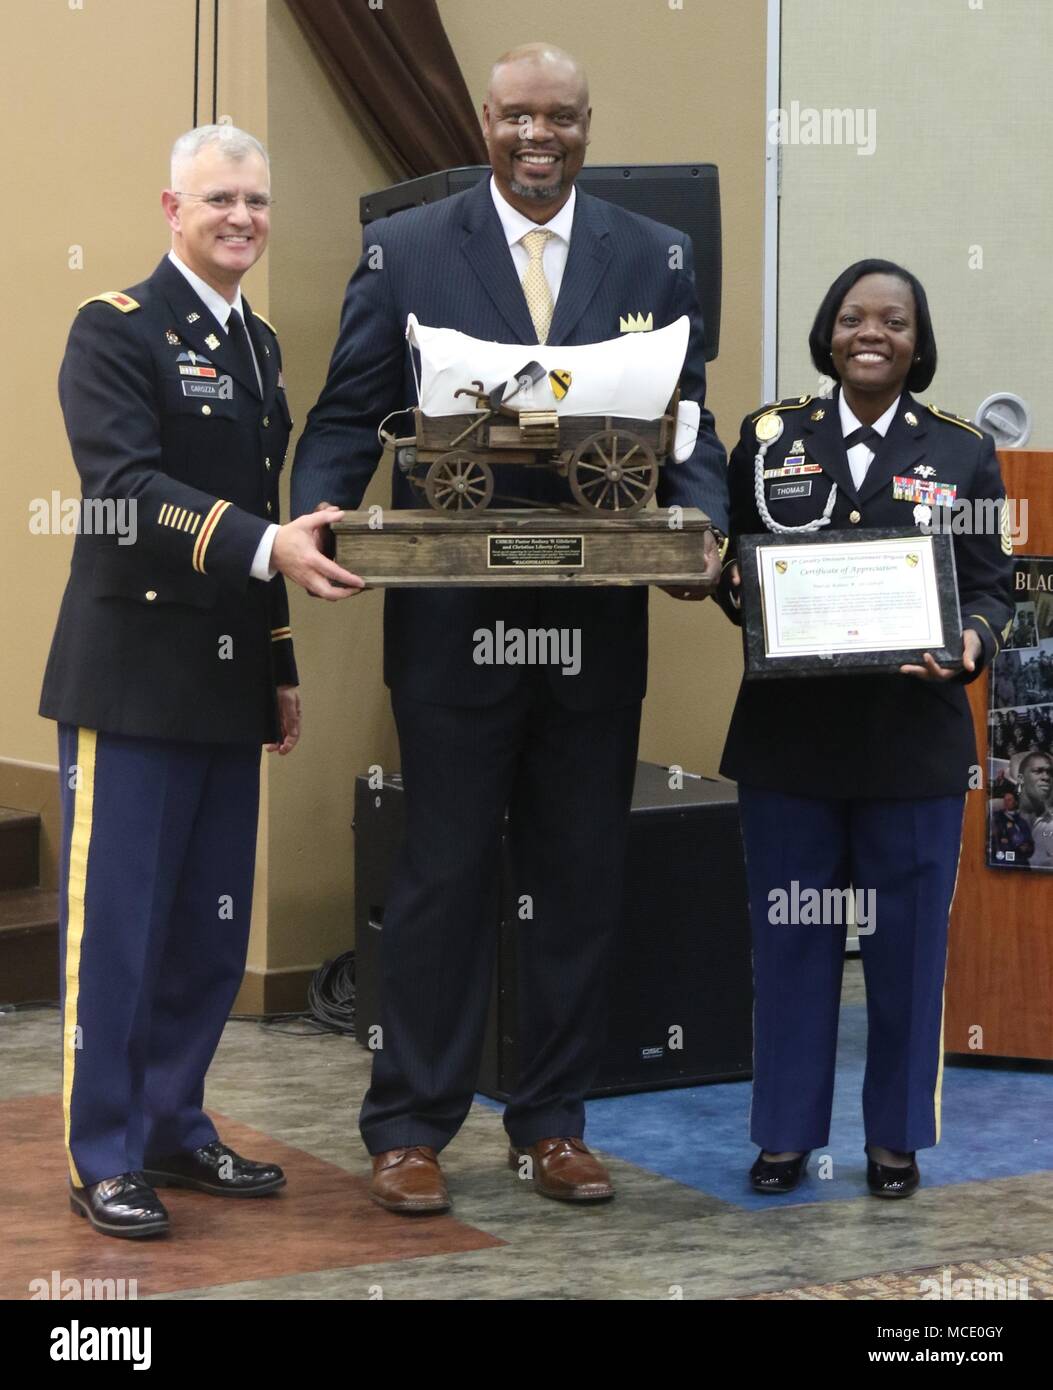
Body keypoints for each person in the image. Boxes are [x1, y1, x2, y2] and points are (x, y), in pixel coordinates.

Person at [292, 43, 728, 1213]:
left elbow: (695, 426)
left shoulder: (656, 254)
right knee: (441, 871)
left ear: (589, 125)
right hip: (453, 628)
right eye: (520, 117)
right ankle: (411, 1128)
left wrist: (705, 524)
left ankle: (553, 1125)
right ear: (485, 122)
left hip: (595, 632)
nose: (541, 137)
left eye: (564, 119)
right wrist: (314, 510)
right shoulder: (410, 249)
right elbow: (347, 409)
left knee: (578, 873)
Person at [39, 124, 361, 1239]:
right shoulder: (113, 329)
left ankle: (174, 1121)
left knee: (206, 932)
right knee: (118, 931)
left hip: (226, 686)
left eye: (258, 200)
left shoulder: (260, 344)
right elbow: (126, 487)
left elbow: (261, 505)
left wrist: (276, 662)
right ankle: (104, 1151)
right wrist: (274, 551)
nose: (242, 217)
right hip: (131, 680)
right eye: (220, 197)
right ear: (171, 208)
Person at [718, 259, 1013, 1198]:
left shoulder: (964, 452)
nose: (870, 333)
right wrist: (732, 588)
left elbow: (993, 587)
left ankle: (895, 1142)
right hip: (789, 746)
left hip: (912, 747)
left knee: (908, 952)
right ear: (827, 331)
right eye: (852, 318)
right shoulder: (768, 438)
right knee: (790, 947)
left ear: (917, 341)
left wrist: (967, 638)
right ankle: (782, 1136)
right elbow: (736, 565)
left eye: (892, 320)